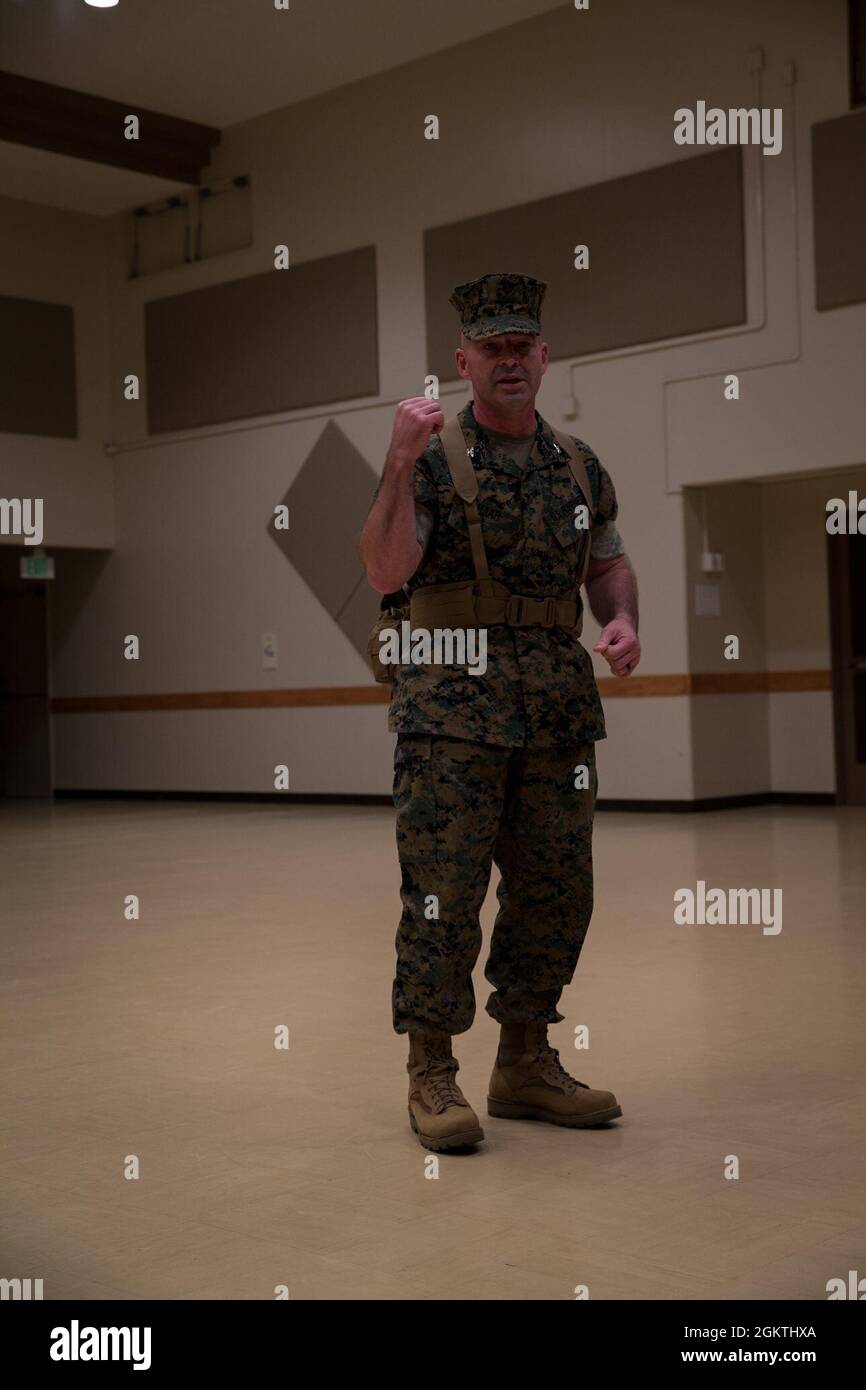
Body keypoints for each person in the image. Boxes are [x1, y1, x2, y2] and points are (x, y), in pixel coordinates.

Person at [358, 272, 640, 1152]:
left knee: (557, 889)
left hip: (556, 710)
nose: (510, 359)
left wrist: (624, 616)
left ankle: (524, 1060)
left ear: (545, 358)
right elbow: (384, 570)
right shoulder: (433, 459)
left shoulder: (580, 466)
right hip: (450, 709)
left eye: (524, 346)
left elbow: (607, 563)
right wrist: (399, 459)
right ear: (464, 361)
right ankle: (432, 1072)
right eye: (493, 348)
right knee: (444, 893)